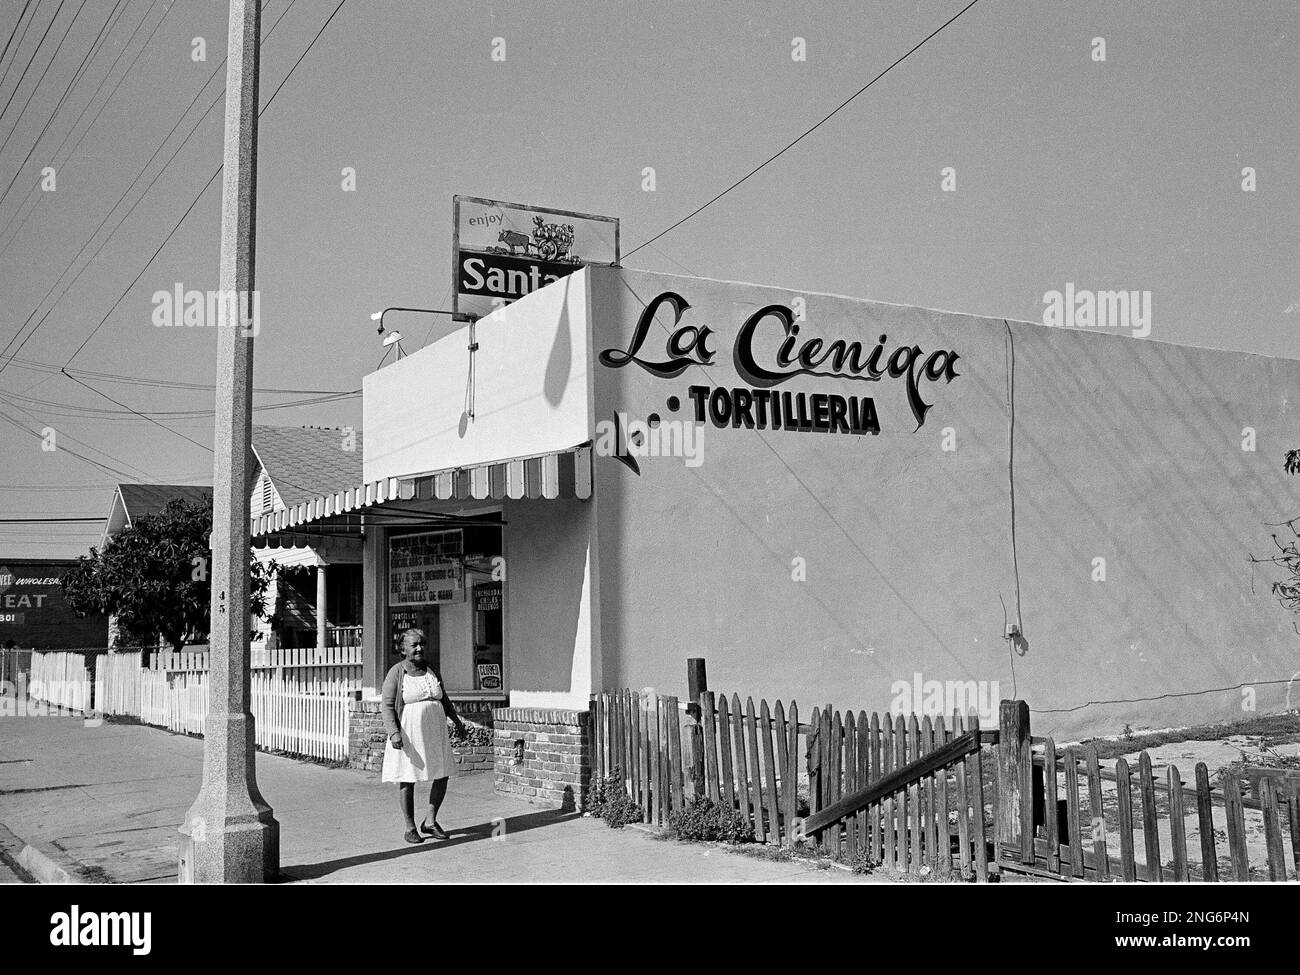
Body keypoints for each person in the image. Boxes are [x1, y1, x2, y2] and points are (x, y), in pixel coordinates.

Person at [380, 628, 468, 844]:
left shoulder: (432, 671)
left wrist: (456, 721)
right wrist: (393, 733)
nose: (419, 648)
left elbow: (444, 699)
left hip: (435, 731)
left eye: (422, 644)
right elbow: (387, 705)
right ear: (403, 649)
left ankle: (430, 821)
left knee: (442, 772)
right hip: (409, 733)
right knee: (408, 777)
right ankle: (410, 827)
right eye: (414, 645)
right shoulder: (397, 673)